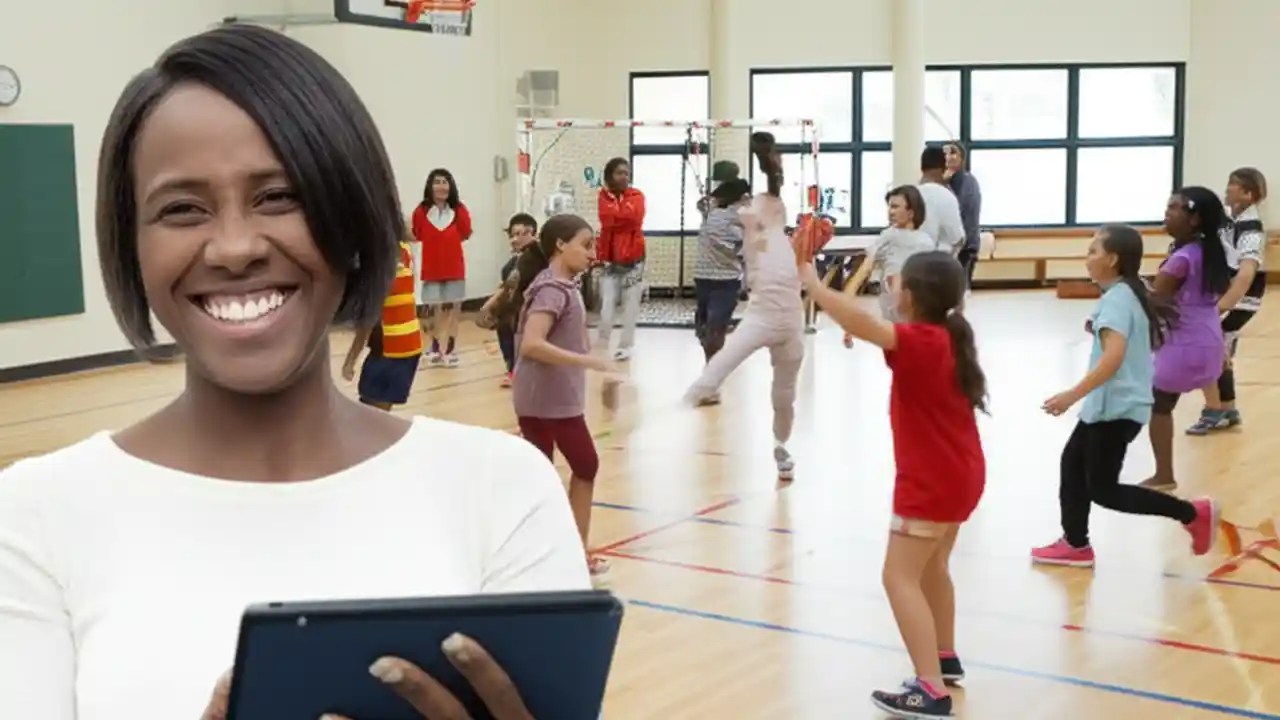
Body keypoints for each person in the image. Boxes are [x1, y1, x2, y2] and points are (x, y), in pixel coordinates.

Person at [0, 25, 589, 720]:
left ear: (353, 215)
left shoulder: (504, 492)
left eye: (279, 196)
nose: (235, 246)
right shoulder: (33, 517)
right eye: (182, 209)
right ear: (130, 245)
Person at [801, 249, 986, 719]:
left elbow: (866, 326)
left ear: (913, 294)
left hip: (930, 482)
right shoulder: (948, 334)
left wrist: (816, 286)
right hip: (962, 474)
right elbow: (871, 329)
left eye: (896, 282)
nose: (890, 288)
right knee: (932, 568)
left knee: (898, 576)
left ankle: (929, 689)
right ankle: (943, 659)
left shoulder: (922, 339)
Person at [1032, 225, 1220, 567]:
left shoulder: (1119, 298)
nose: (1087, 258)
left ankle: (1192, 513)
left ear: (1112, 259)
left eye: (1093, 251)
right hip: (1110, 406)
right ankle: (1075, 543)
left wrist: (1071, 395)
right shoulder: (1127, 293)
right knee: (1072, 466)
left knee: (1104, 490)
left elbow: (1113, 357)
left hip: (1116, 408)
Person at [684, 133, 806, 481]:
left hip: (791, 324)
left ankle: (781, 447)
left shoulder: (775, 230)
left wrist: (768, 162)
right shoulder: (740, 226)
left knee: (784, 397)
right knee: (714, 372)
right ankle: (672, 410)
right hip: (761, 318)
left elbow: (772, 189)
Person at [511, 214, 623, 588]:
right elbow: (532, 343)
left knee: (543, 473)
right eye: (586, 244)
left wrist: (596, 361)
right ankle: (571, 551)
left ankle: (548, 554)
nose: (592, 253)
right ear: (561, 245)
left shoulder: (561, 285)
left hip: (544, 395)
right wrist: (588, 361)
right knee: (584, 464)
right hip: (548, 398)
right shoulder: (552, 290)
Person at [1140, 187, 1233, 491]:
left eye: (1175, 208)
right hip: (1209, 337)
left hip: (1184, 342)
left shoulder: (1181, 259)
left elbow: (1157, 300)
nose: (1167, 213)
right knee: (1165, 401)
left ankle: (1163, 475)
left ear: (1194, 219)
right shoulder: (1210, 253)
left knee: (1160, 406)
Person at [1186, 167, 1268, 434]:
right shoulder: (1228, 218)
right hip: (1225, 292)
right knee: (1220, 351)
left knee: (1213, 348)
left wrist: (1218, 308)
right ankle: (1227, 408)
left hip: (1242, 298)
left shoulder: (1251, 230)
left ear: (1248, 194)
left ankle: (1216, 410)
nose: (1228, 187)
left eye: (1234, 184)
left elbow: (1245, 276)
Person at [840, 184, 935, 347]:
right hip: (893, 322)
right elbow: (862, 273)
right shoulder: (887, 237)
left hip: (918, 318)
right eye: (889, 207)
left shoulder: (926, 243)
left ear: (911, 211)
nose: (891, 212)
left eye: (896, 207)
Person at [342, 234, 424, 409]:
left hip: (391, 347)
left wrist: (350, 360)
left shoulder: (377, 265)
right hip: (410, 345)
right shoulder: (404, 250)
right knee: (379, 412)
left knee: (371, 413)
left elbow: (367, 322)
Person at [412, 167, 473, 368]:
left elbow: (465, 233)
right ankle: (436, 346)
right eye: (437, 182)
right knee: (434, 309)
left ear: (451, 186)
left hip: (455, 268)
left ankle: (451, 348)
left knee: (454, 309)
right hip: (431, 269)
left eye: (445, 182)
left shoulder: (460, 210)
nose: (441, 186)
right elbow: (418, 234)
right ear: (430, 186)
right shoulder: (421, 212)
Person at [692, 178, 749, 364]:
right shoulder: (713, 213)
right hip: (708, 277)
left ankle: (712, 364)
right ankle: (712, 359)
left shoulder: (723, 215)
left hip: (723, 279)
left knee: (714, 324)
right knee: (709, 323)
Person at [595, 157, 646, 361]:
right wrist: (619, 215)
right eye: (619, 173)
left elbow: (634, 217)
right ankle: (602, 342)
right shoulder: (603, 197)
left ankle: (626, 345)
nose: (624, 176)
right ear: (610, 176)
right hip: (610, 262)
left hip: (634, 261)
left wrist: (618, 216)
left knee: (630, 308)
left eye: (626, 173)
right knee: (606, 307)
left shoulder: (637, 195)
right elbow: (606, 218)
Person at [479, 213, 538, 388]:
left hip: (531, 310)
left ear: (532, 234)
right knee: (505, 327)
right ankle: (512, 368)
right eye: (513, 234)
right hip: (511, 311)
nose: (515, 239)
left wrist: (489, 304)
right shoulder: (512, 262)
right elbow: (507, 285)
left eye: (521, 234)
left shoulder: (534, 258)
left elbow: (513, 282)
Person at [944, 143, 983, 288]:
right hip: (948, 246)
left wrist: (944, 184)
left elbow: (958, 209)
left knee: (960, 290)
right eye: (945, 153)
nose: (948, 156)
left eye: (953, 153)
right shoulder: (944, 180)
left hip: (965, 246)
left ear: (962, 158)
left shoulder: (968, 182)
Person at [916, 146, 966, 257]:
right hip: (939, 263)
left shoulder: (910, 194)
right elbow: (956, 238)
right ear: (944, 167)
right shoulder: (947, 197)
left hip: (911, 264)